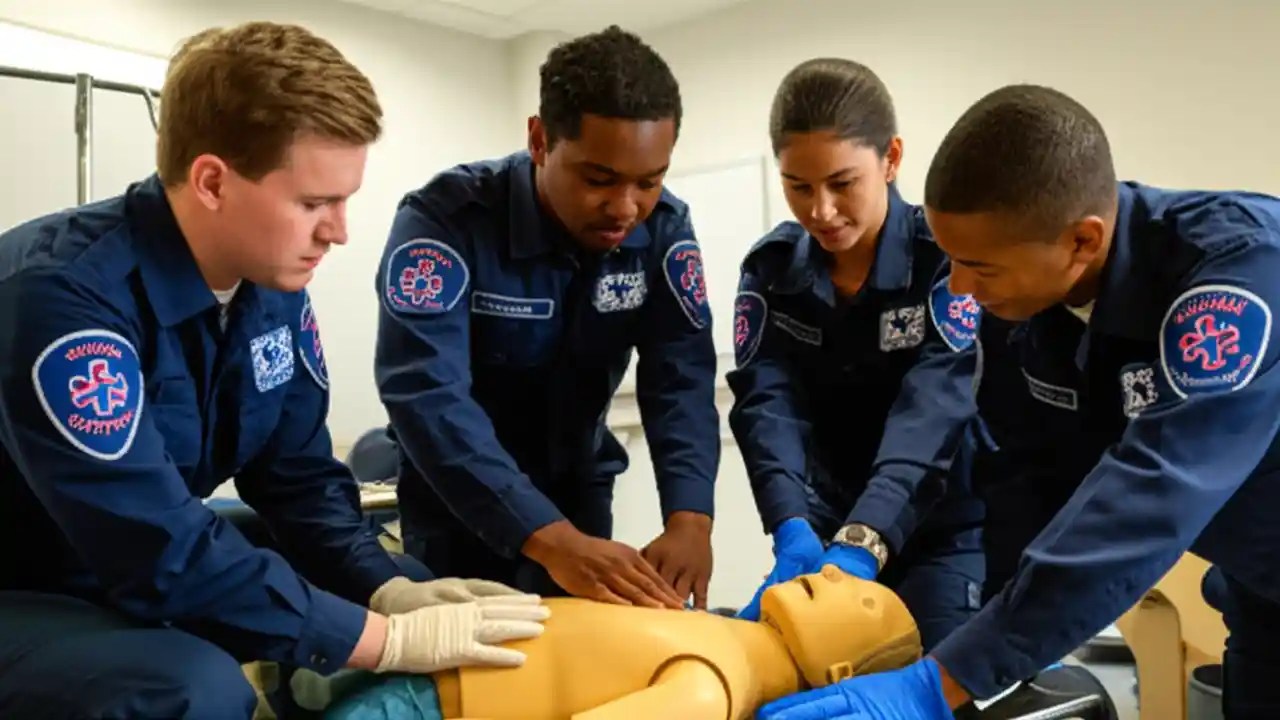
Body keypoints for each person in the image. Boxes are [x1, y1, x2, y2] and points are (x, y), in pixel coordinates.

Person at [0, 22, 548, 719]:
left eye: (344, 201)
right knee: (192, 687)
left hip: (113, 552)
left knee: (392, 576)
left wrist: (387, 592)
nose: (339, 231)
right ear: (212, 182)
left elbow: (298, 480)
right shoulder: (60, 297)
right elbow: (153, 548)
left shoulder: (268, 288)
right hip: (29, 579)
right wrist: (381, 641)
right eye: (314, 204)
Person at [757, 83, 1280, 719]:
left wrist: (945, 680)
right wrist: (1010, 639)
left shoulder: (1237, 278)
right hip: (1260, 596)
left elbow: (1151, 494)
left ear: (1082, 241)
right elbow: (1021, 475)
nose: (959, 287)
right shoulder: (1023, 305)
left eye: (979, 267)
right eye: (952, 261)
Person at [374, 26, 719, 610]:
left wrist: (691, 518)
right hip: (460, 500)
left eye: (649, 181)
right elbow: (426, 393)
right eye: (598, 179)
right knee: (476, 659)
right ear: (539, 140)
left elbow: (680, 379)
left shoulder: (663, 229)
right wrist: (548, 538)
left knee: (585, 651)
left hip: (580, 487)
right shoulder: (446, 222)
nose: (625, 207)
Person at [727, 58, 985, 652]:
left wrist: (865, 541)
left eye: (842, 184)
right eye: (798, 186)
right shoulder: (771, 271)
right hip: (822, 530)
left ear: (891, 159)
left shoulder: (943, 261)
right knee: (785, 672)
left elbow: (931, 413)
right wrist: (789, 522)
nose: (820, 211)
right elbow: (768, 406)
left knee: (936, 677)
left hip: (940, 533)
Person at [293, 565, 923, 720]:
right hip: (431, 650)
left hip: (437, 703)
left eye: (863, 600)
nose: (834, 572)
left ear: (842, 673)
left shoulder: (714, 687)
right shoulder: (716, 628)